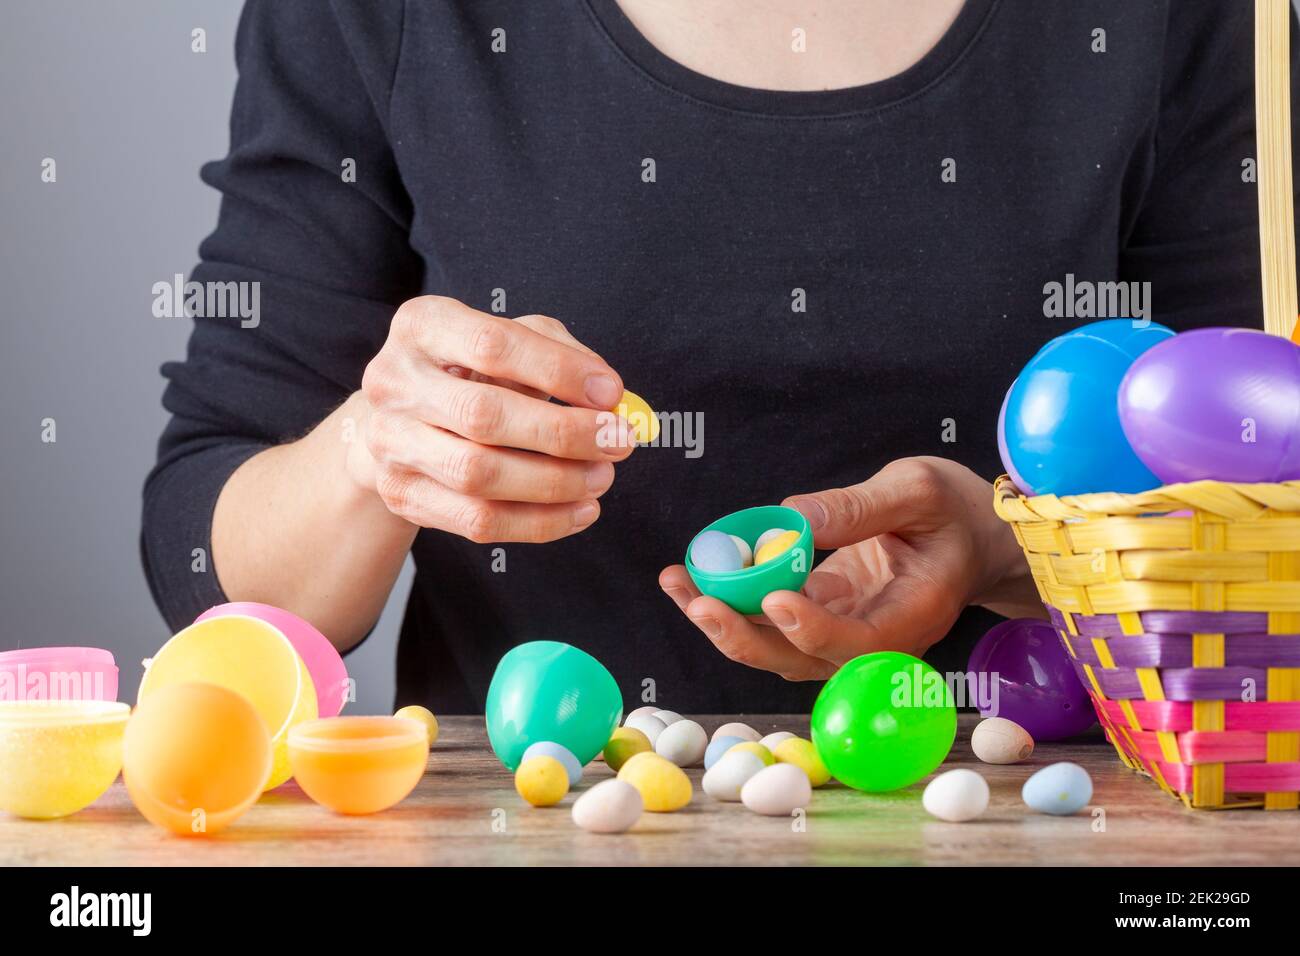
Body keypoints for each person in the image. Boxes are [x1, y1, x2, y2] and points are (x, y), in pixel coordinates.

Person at [142, 0, 1293, 713]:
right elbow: (208, 560)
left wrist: (999, 546)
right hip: (541, 823)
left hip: (1042, 815)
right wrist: (371, 454)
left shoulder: (1180, 14)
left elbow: (1260, 513)